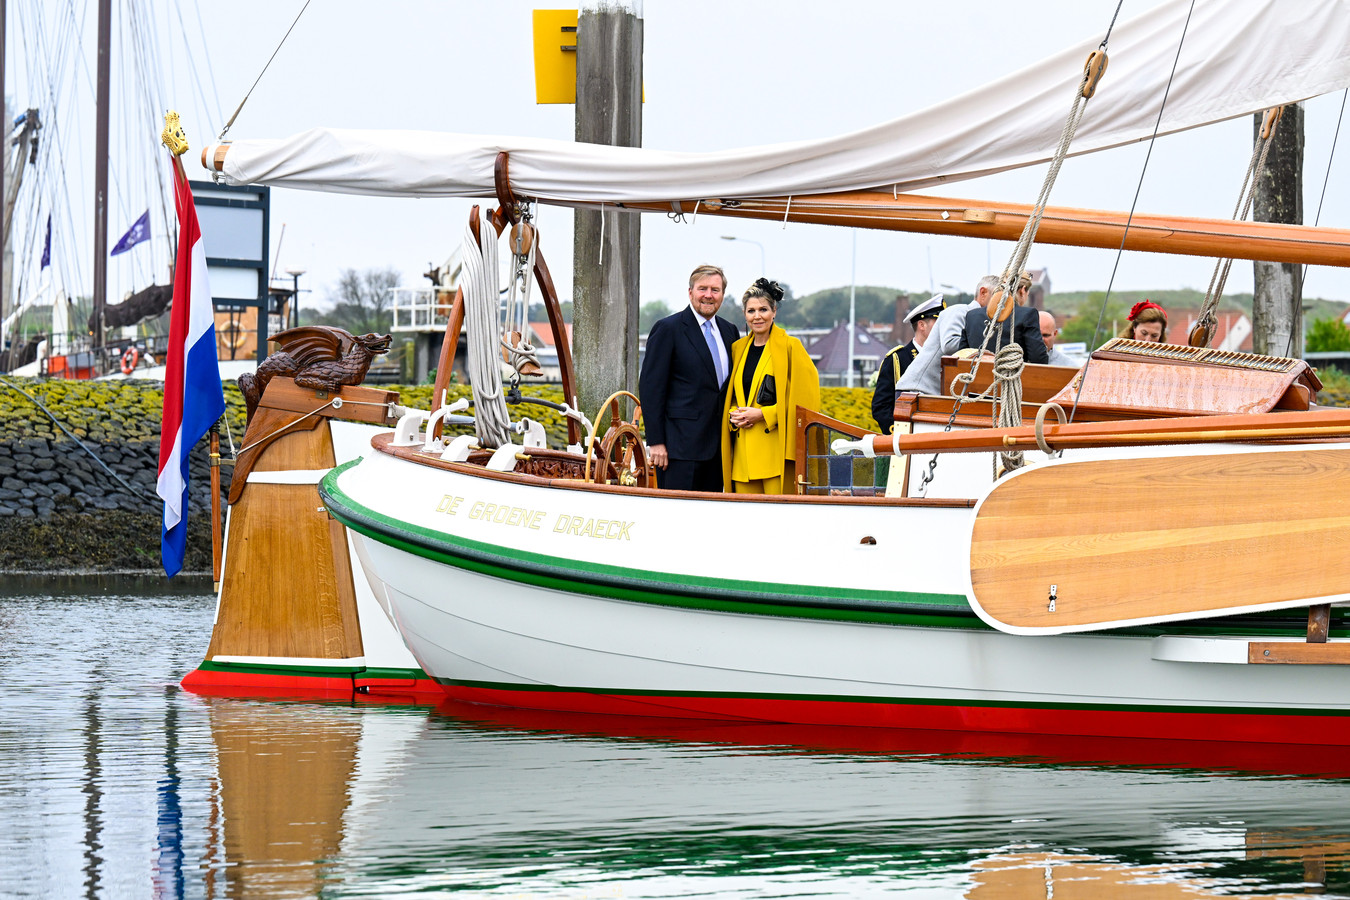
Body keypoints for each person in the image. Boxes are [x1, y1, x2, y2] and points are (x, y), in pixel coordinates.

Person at [639, 264, 741, 491]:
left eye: (715, 290)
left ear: (722, 295)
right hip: (678, 450)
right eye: (702, 288)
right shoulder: (668, 328)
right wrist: (656, 442)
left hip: (720, 449)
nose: (708, 295)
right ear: (690, 292)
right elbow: (651, 389)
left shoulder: (729, 331)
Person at [720, 277, 820, 494]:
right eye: (751, 311)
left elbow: (806, 404)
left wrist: (764, 414)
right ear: (744, 315)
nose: (757, 316)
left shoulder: (791, 347)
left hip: (775, 457)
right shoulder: (738, 349)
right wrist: (733, 414)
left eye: (763, 309)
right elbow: (735, 396)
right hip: (742, 460)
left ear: (774, 312)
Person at [896, 275, 998, 396]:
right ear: (983, 292)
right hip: (916, 390)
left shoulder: (985, 322)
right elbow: (949, 346)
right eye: (998, 298)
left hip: (935, 393)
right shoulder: (960, 312)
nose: (1002, 304)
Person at [872, 294, 943, 433]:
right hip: (906, 440)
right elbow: (881, 407)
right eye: (937, 323)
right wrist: (899, 433)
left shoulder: (946, 358)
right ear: (921, 325)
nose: (942, 328)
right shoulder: (897, 359)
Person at [957, 272, 1049, 364]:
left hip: (977, 376)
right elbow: (1038, 359)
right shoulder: (1028, 315)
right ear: (1023, 290)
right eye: (1027, 295)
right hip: (1009, 377)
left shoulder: (972, 316)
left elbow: (962, 354)